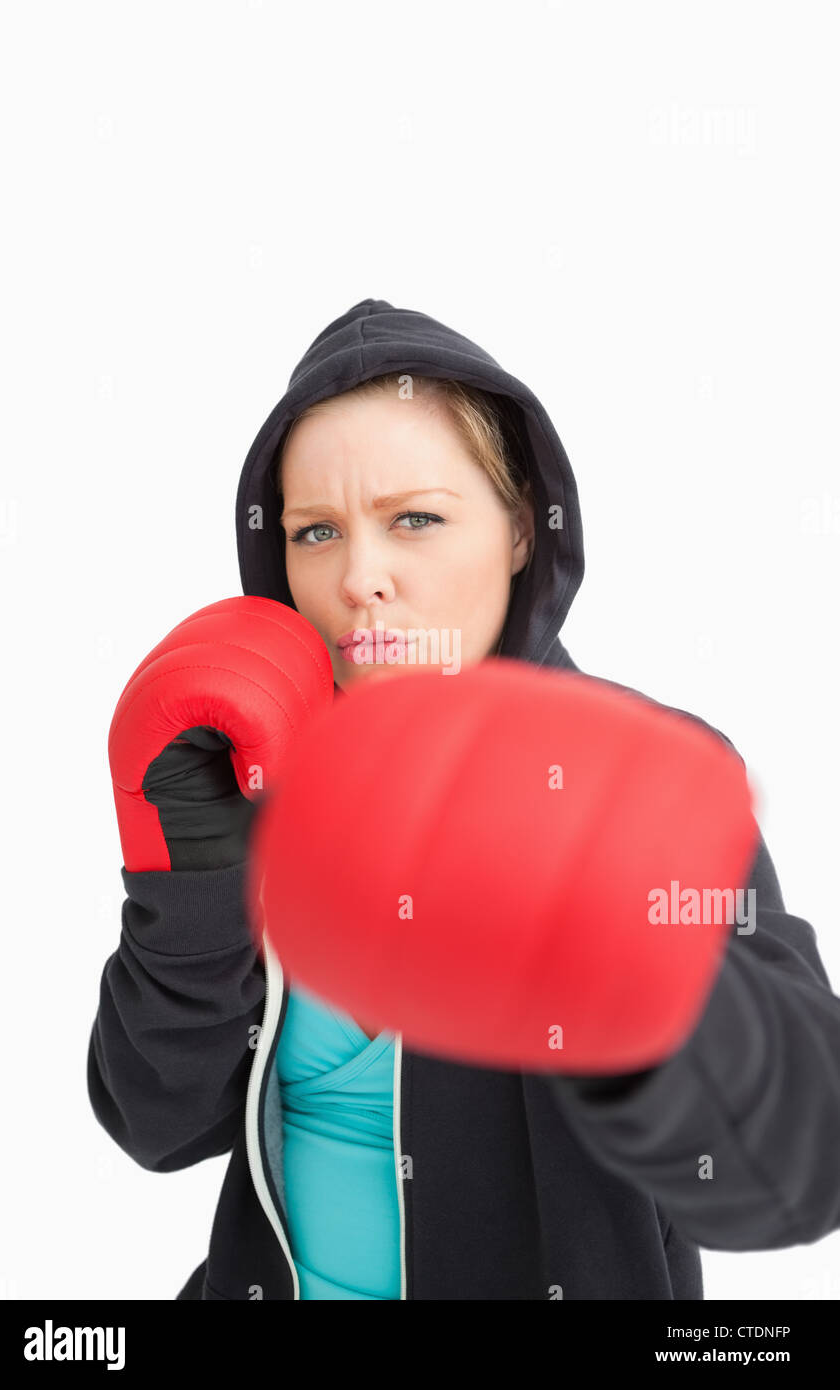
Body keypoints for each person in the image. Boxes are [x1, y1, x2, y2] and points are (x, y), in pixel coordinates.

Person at [88, 297, 840, 1300]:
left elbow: (792, 1165)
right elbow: (157, 1121)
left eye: (415, 519)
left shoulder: (636, 774)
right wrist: (190, 878)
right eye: (317, 531)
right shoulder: (250, 775)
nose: (361, 576)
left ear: (521, 528)